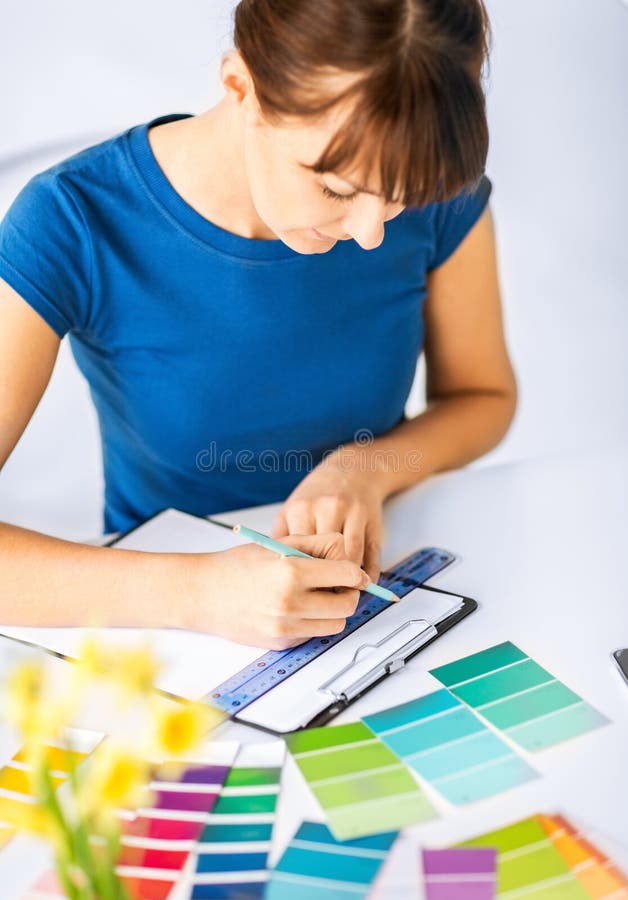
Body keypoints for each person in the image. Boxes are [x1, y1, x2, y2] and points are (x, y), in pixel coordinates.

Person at [0, 0, 516, 649]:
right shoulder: (73, 221)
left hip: (379, 595)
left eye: (402, 198)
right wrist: (195, 593)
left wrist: (369, 467)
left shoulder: (432, 186)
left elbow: (483, 397)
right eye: (335, 188)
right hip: (163, 629)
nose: (371, 230)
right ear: (241, 86)